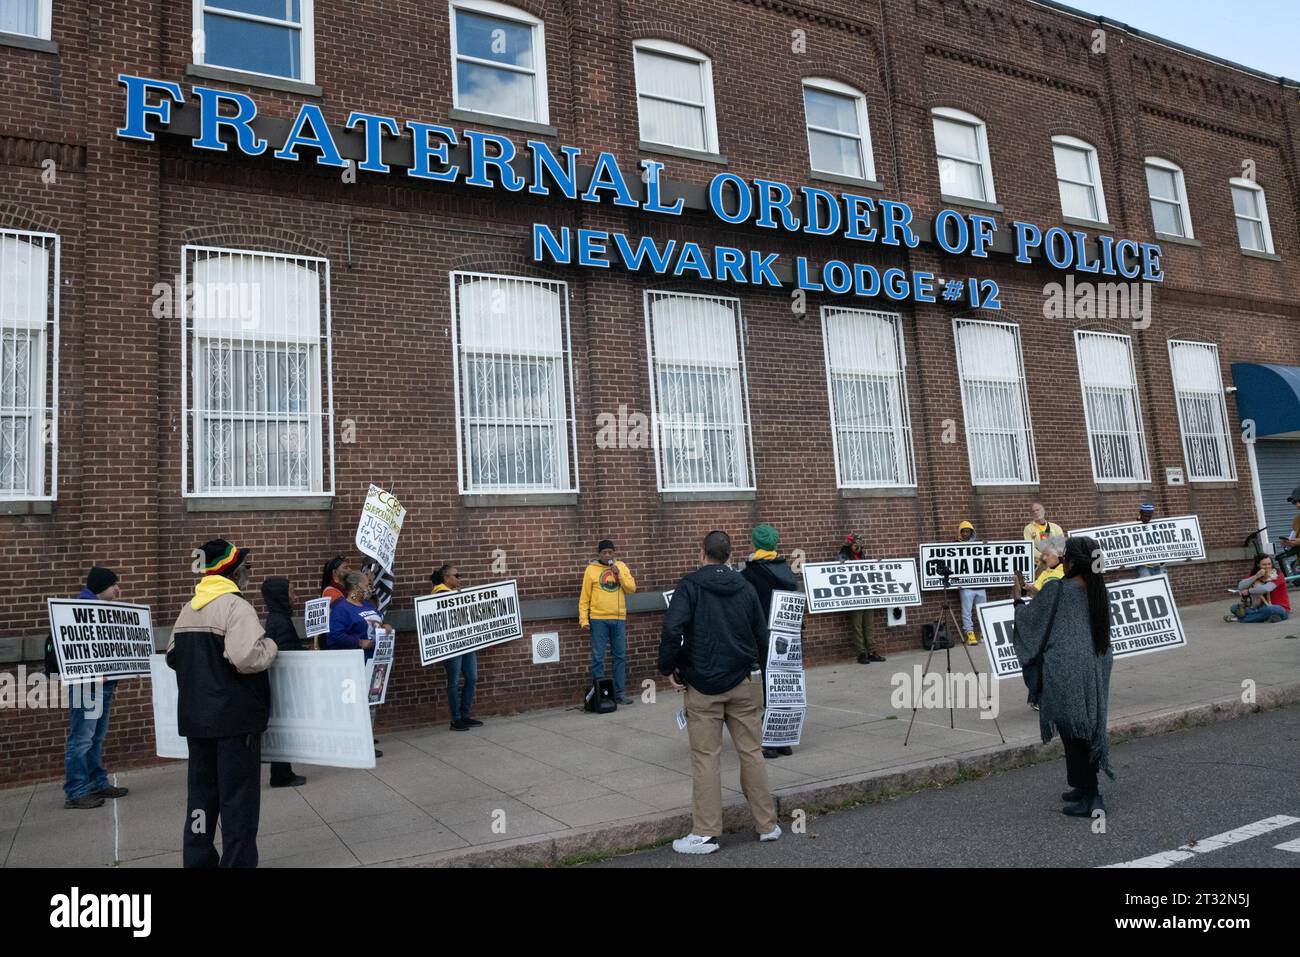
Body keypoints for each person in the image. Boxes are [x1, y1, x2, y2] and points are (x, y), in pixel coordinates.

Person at [659, 530, 780, 855]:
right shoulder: (745, 586)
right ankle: (767, 825)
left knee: (706, 758)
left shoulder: (690, 586)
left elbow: (673, 629)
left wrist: (669, 667)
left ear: (702, 554)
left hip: (703, 685)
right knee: (751, 752)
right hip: (743, 681)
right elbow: (761, 633)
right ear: (729, 556)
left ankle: (706, 834)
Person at [167, 540, 278, 867]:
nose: (250, 571)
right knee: (237, 802)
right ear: (230, 569)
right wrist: (270, 645)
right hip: (234, 723)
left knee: (200, 800)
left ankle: (198, 861)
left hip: (196, 722)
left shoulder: (190, 607)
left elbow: (173, 656)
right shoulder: (235, 606)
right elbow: (246, 657)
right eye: (246, 565)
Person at [1011, 536, 1114, 818]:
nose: (1061, 559)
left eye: (1065, 556)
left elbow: (1031, 623)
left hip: (1067, 666)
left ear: (1072, 562)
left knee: (1073, 729)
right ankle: (1081, 786)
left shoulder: (1059, 588)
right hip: (1096, 663)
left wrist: (1017, 601)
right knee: (1087, 725)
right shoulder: (1097, 589)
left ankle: (1092, 797)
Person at [50, 567, 130, 810]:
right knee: (82, 739)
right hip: (86, 685)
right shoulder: (78, 611)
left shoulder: (105, 611)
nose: (118, 589)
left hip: (103, 684)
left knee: (95, 738)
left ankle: (96, 782)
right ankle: (76, 791)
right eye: (113, 584)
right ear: (100, 586)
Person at [741, 523, 797, 760]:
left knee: (765, 688)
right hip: (788, 637)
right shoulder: (785, 570)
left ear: (755, 543)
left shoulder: (750, 574)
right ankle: (785, 740)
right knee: (785, 687)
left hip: (762, 638)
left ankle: (769, 742)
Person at [327, 571, 387, 756]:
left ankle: (366, 740)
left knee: (371, 703)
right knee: (354, 703)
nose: (370, 587)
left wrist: (385, 628)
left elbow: (375, 624)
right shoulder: (341, 609)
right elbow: (334, 636)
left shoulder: (368, 604)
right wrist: (358, 642)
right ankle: (356, 743)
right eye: (366, 584)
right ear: (355, 587)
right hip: (355, 664)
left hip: (374, 663)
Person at [579, 539, 637, 706]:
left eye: (610, 552)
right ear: (599, 554)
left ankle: (619, 693)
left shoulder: (621, 567)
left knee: (620, 656)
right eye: (604, 552)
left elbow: (632, 588)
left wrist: (619, 575)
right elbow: (584, 597)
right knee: (598, 657)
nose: (607, 555)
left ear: (614, 553)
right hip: (598, 619)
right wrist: (584, 619)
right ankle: (600, 694)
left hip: (618, 618)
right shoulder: (591, 570)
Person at [261, 577, 306, 789]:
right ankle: (281, 774)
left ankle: (283, 772)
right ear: (280, 595)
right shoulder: (280, 621)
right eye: (291, 591)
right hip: (283, 686)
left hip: (278, 685)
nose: (295, 596)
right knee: (283, 728)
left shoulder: (276, 618)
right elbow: (288, 653)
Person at [432, 563, 482, 731]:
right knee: (453, 681)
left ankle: (465, 714)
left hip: (466, 641)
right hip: (451, 644)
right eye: (456, 575)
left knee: (472, 677)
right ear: (446, 578)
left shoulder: (455, 593)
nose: (460, 578)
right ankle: (456, 719)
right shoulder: (439, 592)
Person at [839, 533, 884, 664]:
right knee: (857, 626)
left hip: (866, 594)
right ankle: (861, 653)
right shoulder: (843, 555)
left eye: (859, 545)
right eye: (855, 545)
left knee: (869, 625)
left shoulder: (862, 555)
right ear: (850, 545)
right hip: (854, 596)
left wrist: (877, 564)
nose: (858, 547)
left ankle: (872, 651)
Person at [1224, 555, 1291, 623]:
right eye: (1264, 565)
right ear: (1258, 565)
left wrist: (1249, 591)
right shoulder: (1256, 573)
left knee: (1270, 609)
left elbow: (1267, 589)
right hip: (1258, 607)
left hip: (1279, 607)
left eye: (1269, 564)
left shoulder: (1277, 574)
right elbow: (1241, 586)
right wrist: (1256, 576)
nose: (1267, 567)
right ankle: (1269, 617)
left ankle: (1239, 619)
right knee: (1234, 608)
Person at [955, 520, 986, 646]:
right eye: (963, 532)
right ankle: (970, 634)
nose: (966, 534)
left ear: (971, 533)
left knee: (982, 611)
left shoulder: (978, 544)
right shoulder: (954, 545)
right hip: (966, 586)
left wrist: (986, 546)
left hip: (981, 585)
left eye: (968, 531)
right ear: (960, 533)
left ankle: (984, 633)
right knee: (966, 612)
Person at [1023, 503, 1064, 575]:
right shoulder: (1028, 529)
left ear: (1044, 511)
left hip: (1056, 565)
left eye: (1038, 510)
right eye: (1033, 511)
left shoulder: (1056, 528)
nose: (1036, 512)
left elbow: (1061, 547)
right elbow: (1030, 548)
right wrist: (1044, 557)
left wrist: (1052, 557)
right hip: (1039, 564)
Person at [1133, 503, 1165, 578]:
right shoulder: (1133, 527)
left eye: (1149, 516)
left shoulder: (1157, 526)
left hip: (1159, 565)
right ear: (1140, 513)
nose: (1147, 518)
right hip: (1144, 566)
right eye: (1145, 516)